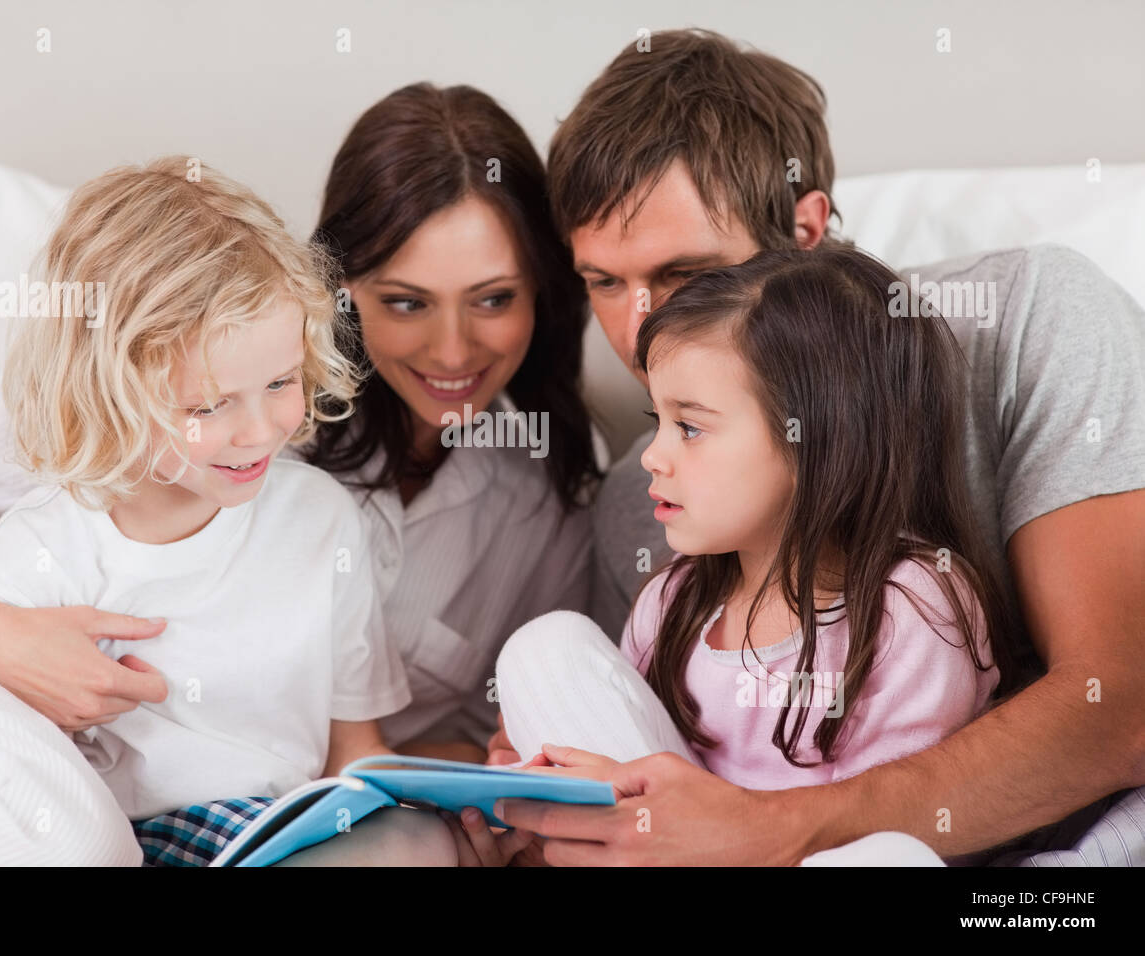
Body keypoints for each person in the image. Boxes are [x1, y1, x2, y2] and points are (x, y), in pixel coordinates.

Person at [489, 28, 1145, 866]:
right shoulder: (646, 502)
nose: (639, 327)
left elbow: (1121, 705)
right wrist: (549, 791)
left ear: (806, 229)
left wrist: (760, 832)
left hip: (1022, 854)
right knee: (545, 654)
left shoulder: (1031, 322)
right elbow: (667, 762)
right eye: (603, 282)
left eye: (686, 274)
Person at [0, 156, 472, 865]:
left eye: (279, 382)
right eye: (208, 406)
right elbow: (15, 782)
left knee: (424, 843)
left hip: (295, 825)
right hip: (138, 836)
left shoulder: (321, 517)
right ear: (108, 389)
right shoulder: (42, 554)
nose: (260, 429)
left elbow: (353, 750)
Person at [497, 245, 1014, 867]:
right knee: (543, 647)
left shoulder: (912, 604)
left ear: (818, 439)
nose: (652, 457)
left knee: (895, 857)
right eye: (656, 421)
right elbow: (638, 772)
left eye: (689, 427)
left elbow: (879, 817)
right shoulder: (673, 601)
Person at [300, 82, 600, 767]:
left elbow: (491, 741)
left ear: (543, 291)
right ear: (340, 286)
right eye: (408, 304)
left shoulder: (547, 503)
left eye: (493, 299)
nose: (455, 352)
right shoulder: (241, 407)